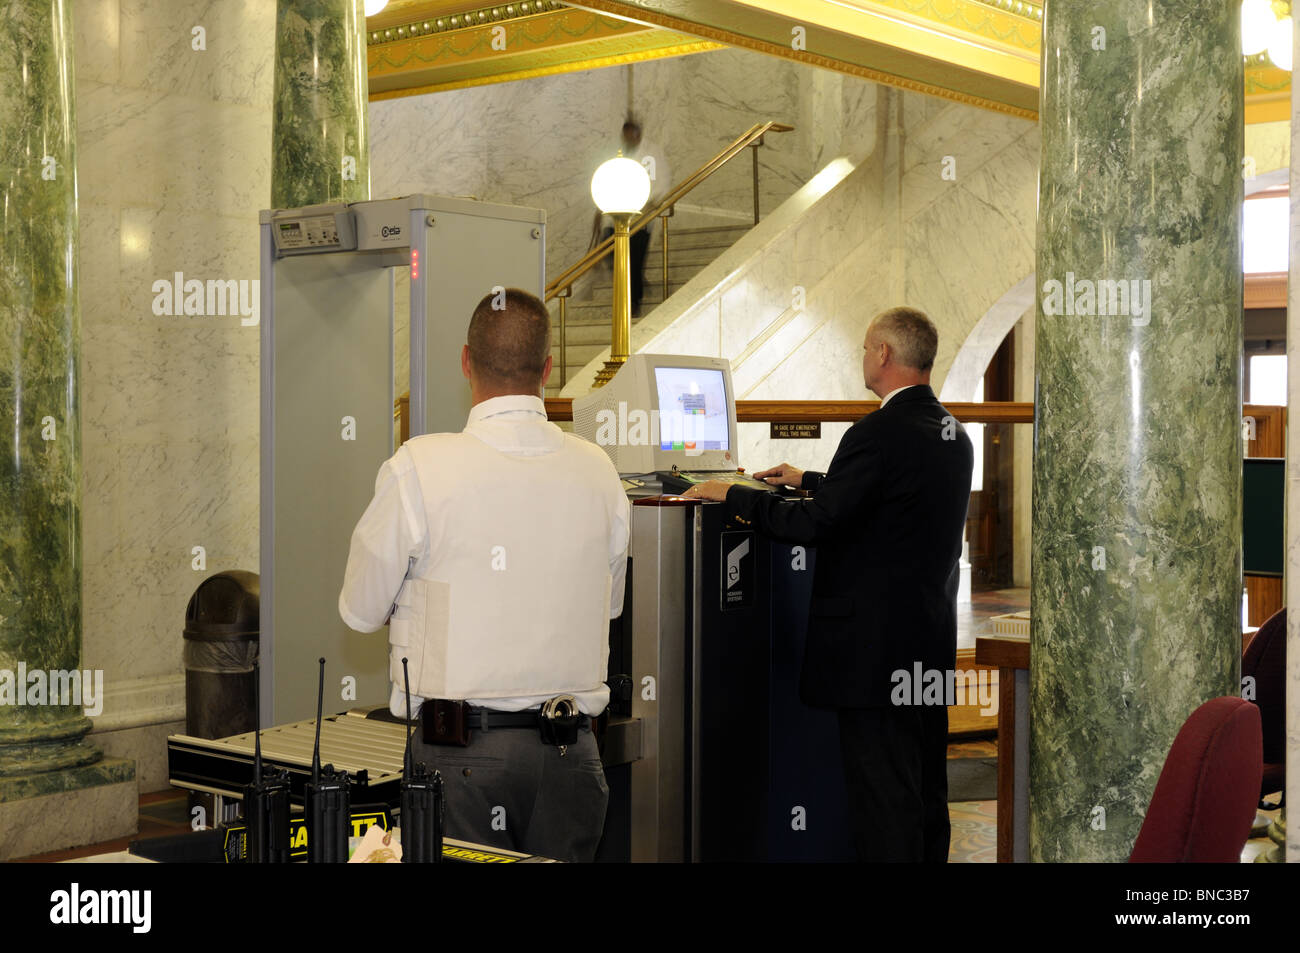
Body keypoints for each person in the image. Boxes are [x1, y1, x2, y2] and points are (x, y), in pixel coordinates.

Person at [338, 287, 630, 863]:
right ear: (548, 369)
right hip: (571, 761)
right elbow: (610, 607)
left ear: (465, 361)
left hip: (460, 760)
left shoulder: (418, 468)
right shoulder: (599, 471)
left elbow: (360, 609)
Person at [683, 306, 973, 862]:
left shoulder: (877, 433)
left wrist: (734, 495)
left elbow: (816, 525)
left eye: (866, 346)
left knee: (883, 804)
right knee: (924, 794)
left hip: (872, 658)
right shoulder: (953, 434)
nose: (863, 356)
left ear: (883, 354)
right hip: (925, 651)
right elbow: (891, 499)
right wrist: (810, 479)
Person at [590, 118, 671, 317]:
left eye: (632, 136)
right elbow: (606, 182)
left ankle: (634, 304)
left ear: (639, 134)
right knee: (612, 251)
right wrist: (599, 212)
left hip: (640, 218)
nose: (629, 140)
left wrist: (649, 203)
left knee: (634, 262)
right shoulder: (617, 155)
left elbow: (662, 182)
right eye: (625, 137)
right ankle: (631, 293)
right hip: (615, 213)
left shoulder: (651, 154)